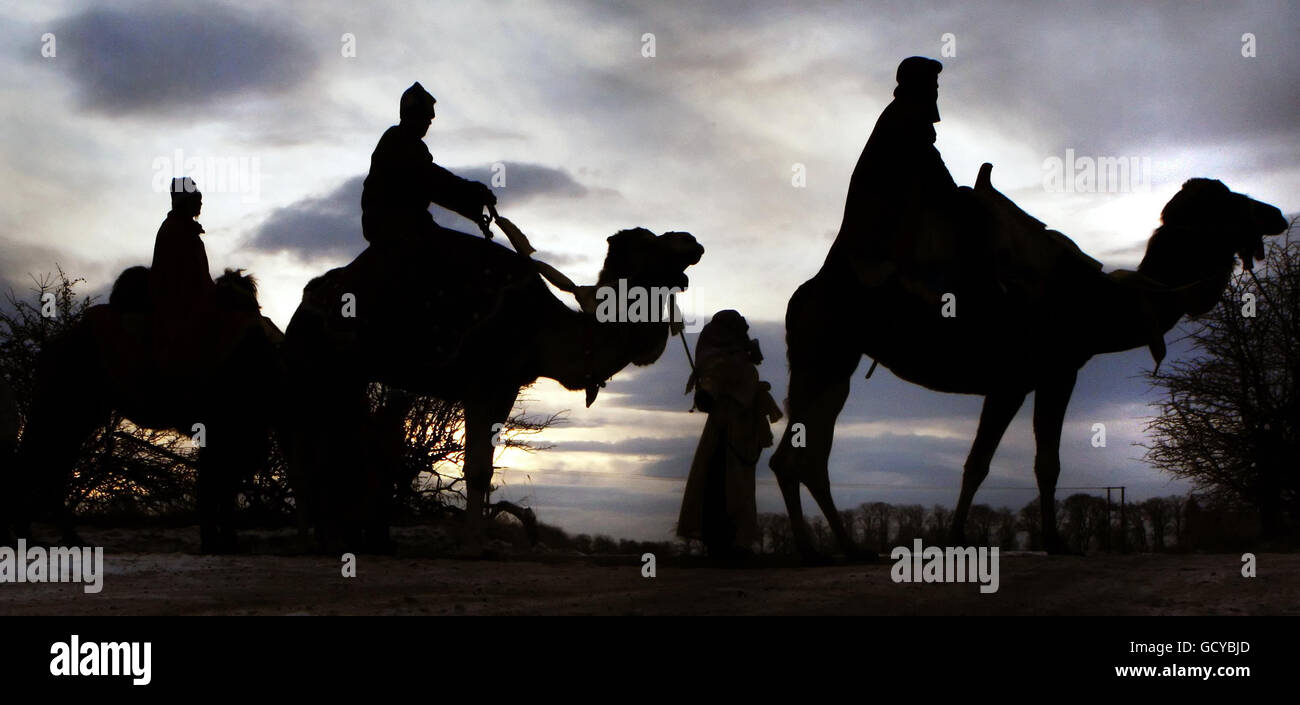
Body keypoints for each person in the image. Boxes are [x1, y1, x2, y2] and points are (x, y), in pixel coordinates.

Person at [834, 57, 994, 295]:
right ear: (919, 85)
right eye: (933, 83)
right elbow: (932, 172)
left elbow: (931, 171)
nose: (937, 90)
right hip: (883, 231)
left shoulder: (905, 115)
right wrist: (964, 199)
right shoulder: (906, 118)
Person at [677, 310, 782, 558]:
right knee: (719, 487)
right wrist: (706, 395)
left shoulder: (736, 363)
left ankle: (735, 542)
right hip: (724, 435)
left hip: (736, 435)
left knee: (734, 489)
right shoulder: (725, 363)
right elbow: (714, 393)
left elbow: (735, 394)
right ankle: (721, 542)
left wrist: (711, 395)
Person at [360, 82, 497, 246]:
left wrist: (472, 196)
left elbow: (431, 179)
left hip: (401, 225)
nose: (430, 122)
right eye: (427, 117)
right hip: (402, 227)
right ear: (415, 115)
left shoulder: (402, 141)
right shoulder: (400, 141)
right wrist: (473, 193)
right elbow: (430, 179)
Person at [150, 177, 216, 370]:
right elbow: (186, 280)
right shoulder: (177, 231)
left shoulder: (185, 231)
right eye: (196, 197)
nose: (200, 202)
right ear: (184, 201)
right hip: (181, 319)